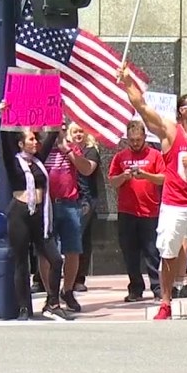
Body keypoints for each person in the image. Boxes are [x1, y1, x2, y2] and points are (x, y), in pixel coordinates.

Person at [119, 67, 187, 320]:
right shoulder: (169, 131)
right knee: (167, 252)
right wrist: (126, 81)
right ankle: (165, 302)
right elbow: (142, 107)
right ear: (181, 111)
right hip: (173, 204)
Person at [0, 117, 70, 321]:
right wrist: (5, 117)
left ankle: (53, 302)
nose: (35, 142)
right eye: (30, 139)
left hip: (41, 214)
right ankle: (23, 308)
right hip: (19, 213)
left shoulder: (39, 160)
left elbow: (51, 137)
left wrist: (58, 119)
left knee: (56, 259)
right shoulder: (14, 161)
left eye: (35, 139)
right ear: (21, 143)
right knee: (21, 261)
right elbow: (5, 141)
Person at [42, 122, 98, 312]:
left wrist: (68, 151)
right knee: (45, 251)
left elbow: (87, 169)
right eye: (57, 127)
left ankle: (68, 291)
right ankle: (51, 293)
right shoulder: (41, 146)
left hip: (69, 203)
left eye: (63, 128)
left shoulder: (71, 147)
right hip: (47, 206)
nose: (60, 131)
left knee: (73, 250)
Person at [107, 120, 165, 302]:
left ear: (145, 138)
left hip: (150, 211)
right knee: (130, 252)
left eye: (138, 140)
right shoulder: (120, 157)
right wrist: (123, 176)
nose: (135, 143)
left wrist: (145, 175)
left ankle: (157, 288)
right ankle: (135, 288)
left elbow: (162, 179)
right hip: (127, 211)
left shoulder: (155, 155)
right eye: (132, 140)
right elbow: (112, 181)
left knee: (152, 251)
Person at [72, 122, 102, 293]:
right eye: (75, 132)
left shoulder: (91, 151)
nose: (78, 135)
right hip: (70, 198)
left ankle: (78, 278)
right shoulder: (67, 150)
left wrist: (71, 153)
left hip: (86, 199)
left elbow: (88, 170)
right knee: (78, 238)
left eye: (81, 131)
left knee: (79, 237)